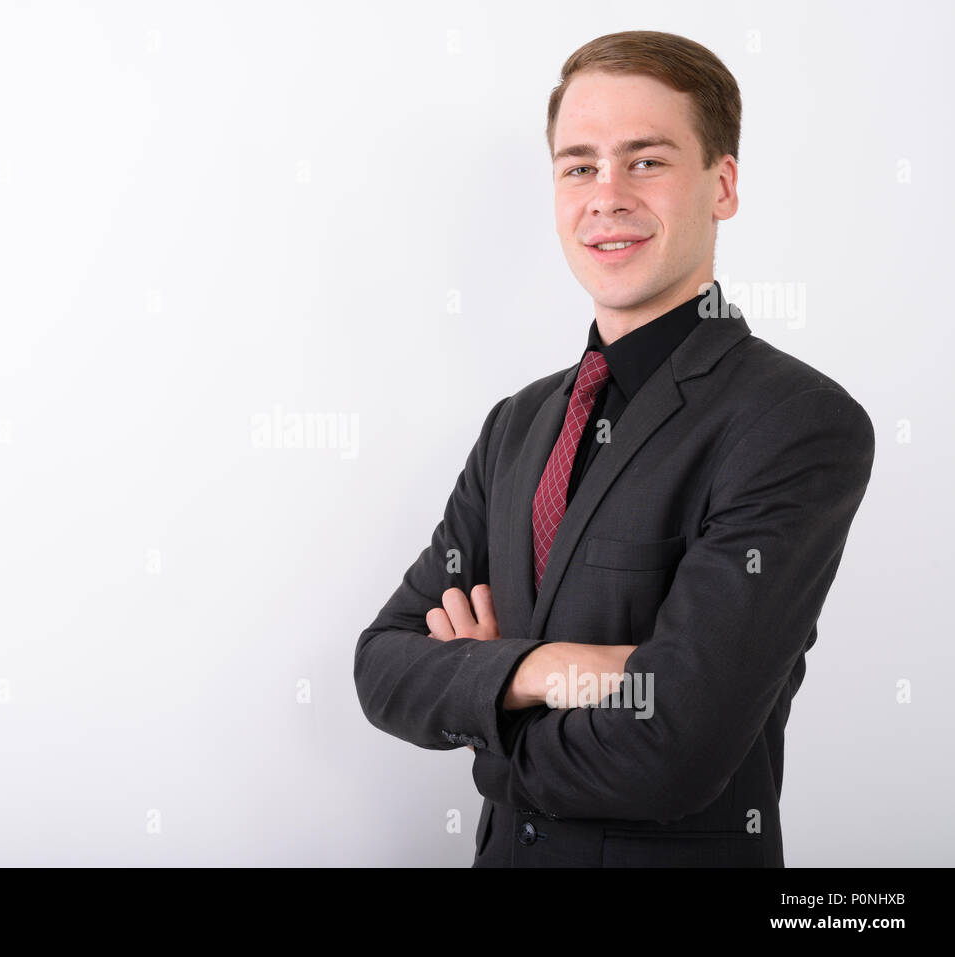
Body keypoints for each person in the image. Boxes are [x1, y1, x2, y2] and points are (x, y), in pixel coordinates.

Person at [352, 30, 875, 867]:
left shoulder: (795, 422)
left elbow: (674, 748)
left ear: (724, 184)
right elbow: (381, 664)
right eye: (579, 165)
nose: (607, 195)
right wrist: (551, 668)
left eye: (646, 161)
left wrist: (486, 700)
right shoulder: (516, 424)